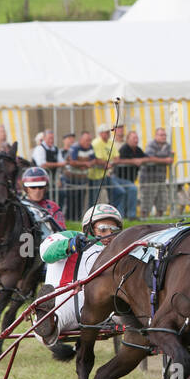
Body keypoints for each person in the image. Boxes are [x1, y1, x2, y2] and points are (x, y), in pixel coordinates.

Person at [33, 203, 123, 346]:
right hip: (63, 297)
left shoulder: (118, 251)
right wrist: (70, 245)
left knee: (125, 312)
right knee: (47, 333)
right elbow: (45, 253)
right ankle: (46, 315)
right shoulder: (68, 236)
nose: (108, 235)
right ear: (89, 227)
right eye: (103, 229)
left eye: (114, 230)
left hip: (97, 305)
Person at [139, 127, 175, 217]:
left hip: (161, 179)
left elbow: (170, 159)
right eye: (161, 135)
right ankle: (144, 221)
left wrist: (170, 157)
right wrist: (165, 160)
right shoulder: (151, 145)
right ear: (156, 136)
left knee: (162, 202)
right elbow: (149, 158)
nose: (164, 137)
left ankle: (159, 221)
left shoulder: (168, 145)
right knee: (146, 204)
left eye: (165, 135)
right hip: (149, 179)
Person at [19, 165, 65, 235]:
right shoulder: (19, 206)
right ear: (26, 189)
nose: (37, 191)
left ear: (46, 188)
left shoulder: (53, 207)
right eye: (33, 187)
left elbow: (62, 232)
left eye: (40, 187)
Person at [64, 130, 97, 219]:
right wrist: (84, 164)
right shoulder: (75, 147)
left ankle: (78, 219)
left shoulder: (90, 147)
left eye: (89, 140)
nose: (88, 142)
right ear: (81, 140)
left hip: (82, 180)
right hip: (72, 180)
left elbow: (94, 159)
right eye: (87, 140)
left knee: (80, 201)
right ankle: (69, 219)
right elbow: (71, 162)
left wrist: (88, 163)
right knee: (71, 202)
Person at [117, 130, 148, 216]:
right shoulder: (124, 149)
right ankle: (131, 215)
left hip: (130, 179)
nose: (136, 140)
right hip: (119, 178)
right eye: (134, 138)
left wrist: (141, 160)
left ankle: (126, 215)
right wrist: (133, 161)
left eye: (137, 138)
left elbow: (147, 158)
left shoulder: (138, 150)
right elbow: (119, 160)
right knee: (132, 189)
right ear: (128, 140)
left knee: (129, 193)